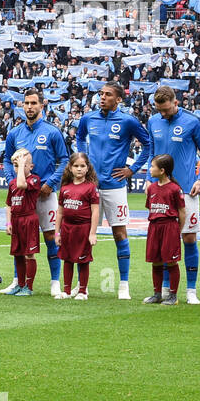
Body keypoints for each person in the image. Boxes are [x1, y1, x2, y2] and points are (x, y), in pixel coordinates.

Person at [75, 82, 151, 300]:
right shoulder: (89, 118)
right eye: (101, 94)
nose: (102, 97)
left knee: (119, 233)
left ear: (118, 99)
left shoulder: (128, 121)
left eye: (108, 95)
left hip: (115, 186)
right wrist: (83, 158)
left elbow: (148, 145)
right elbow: (80, 137)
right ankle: (82, 286)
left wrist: (133, 169)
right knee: (82, 234)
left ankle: (124, 285)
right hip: (89, 186)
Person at [3, 89, 69, 296]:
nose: (29, 107)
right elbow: (6, 159)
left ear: (42, 105)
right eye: (26, 103)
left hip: (44, 193)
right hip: (22, 195)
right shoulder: (15, 133)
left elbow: (65, 159)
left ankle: (55, 282)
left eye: (33, 103)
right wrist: (11, 181)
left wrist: (50, 183)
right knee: (19, 238)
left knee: (51, 236)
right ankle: (17, 281)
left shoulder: (52, 131)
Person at [147, 85, 200, 304]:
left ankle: (191, 290)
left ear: (176, 102)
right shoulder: (153, 121)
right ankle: (165, 289)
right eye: (159, 110)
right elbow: (151, 152)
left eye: (166, 109)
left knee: (189, 237)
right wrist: (148, 177)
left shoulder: (192, 121)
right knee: (164, 239)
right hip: (160, 189)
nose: (162, 114)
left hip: (186, 189)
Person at [55, 152, 100, 300]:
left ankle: (82, 291)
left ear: (88, 168)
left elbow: (95, 211)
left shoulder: (91, 188)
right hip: (67, 229)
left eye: (82, 166)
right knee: (67, 259)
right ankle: (66, 291)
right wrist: (57, 233)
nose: (79, 169)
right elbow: (60, 212)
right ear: (70, 167)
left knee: (83, 259)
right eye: (76, 166)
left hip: (83, 229)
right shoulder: (65, 188)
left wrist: (92, 233)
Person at [143, 154, 184, 306]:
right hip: (154, 227)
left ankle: (173, 296)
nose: (150, 169)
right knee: (156, 261)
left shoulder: (174, 189)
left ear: (162, 170)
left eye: (152, 166)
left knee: (171, 262)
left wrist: (177, 230)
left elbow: (182, 212)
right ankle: (157, 294)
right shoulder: (152, 188)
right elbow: (150, 208)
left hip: (169, 226)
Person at [2, 148, 42, 297]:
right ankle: (19, 285)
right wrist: (8, 223)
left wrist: (22, 163)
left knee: (29, 254)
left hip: (29, 219)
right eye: (16, 165)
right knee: (17, 254)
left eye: (22, 165)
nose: (18, 168)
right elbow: (8, 204)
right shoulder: (12, 183)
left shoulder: (34, 179)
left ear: (31, 166)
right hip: (16, 220)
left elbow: (21, 184)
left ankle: (29, 287)